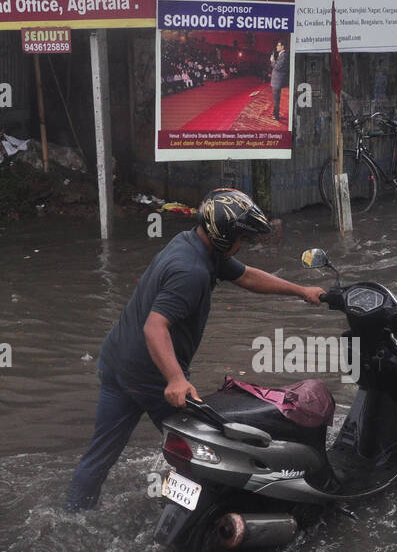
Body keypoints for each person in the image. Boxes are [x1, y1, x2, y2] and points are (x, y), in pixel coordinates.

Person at [64, 189, 326, 513]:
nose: (243, 243)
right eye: (241, 237)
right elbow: (155, 327)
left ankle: (72, 516)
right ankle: (196, 517)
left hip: (118, 363)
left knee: (100, 455)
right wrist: (175, 380)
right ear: (225, 237)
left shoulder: (193, 244)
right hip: (152, 375)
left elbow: (246, 276)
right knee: (207, 452)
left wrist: (301, 291)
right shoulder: (192, 272)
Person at [269, 41, 289, 122]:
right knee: (276, 98)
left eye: (278, 45)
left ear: (282, 47)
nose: (277, 46)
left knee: (276, 99)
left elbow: (277, 67)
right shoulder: (281, 55)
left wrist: (272, 60)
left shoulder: (284, 55)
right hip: (277, 80)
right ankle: (275, 113)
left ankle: (276, 115)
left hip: (278, 81)